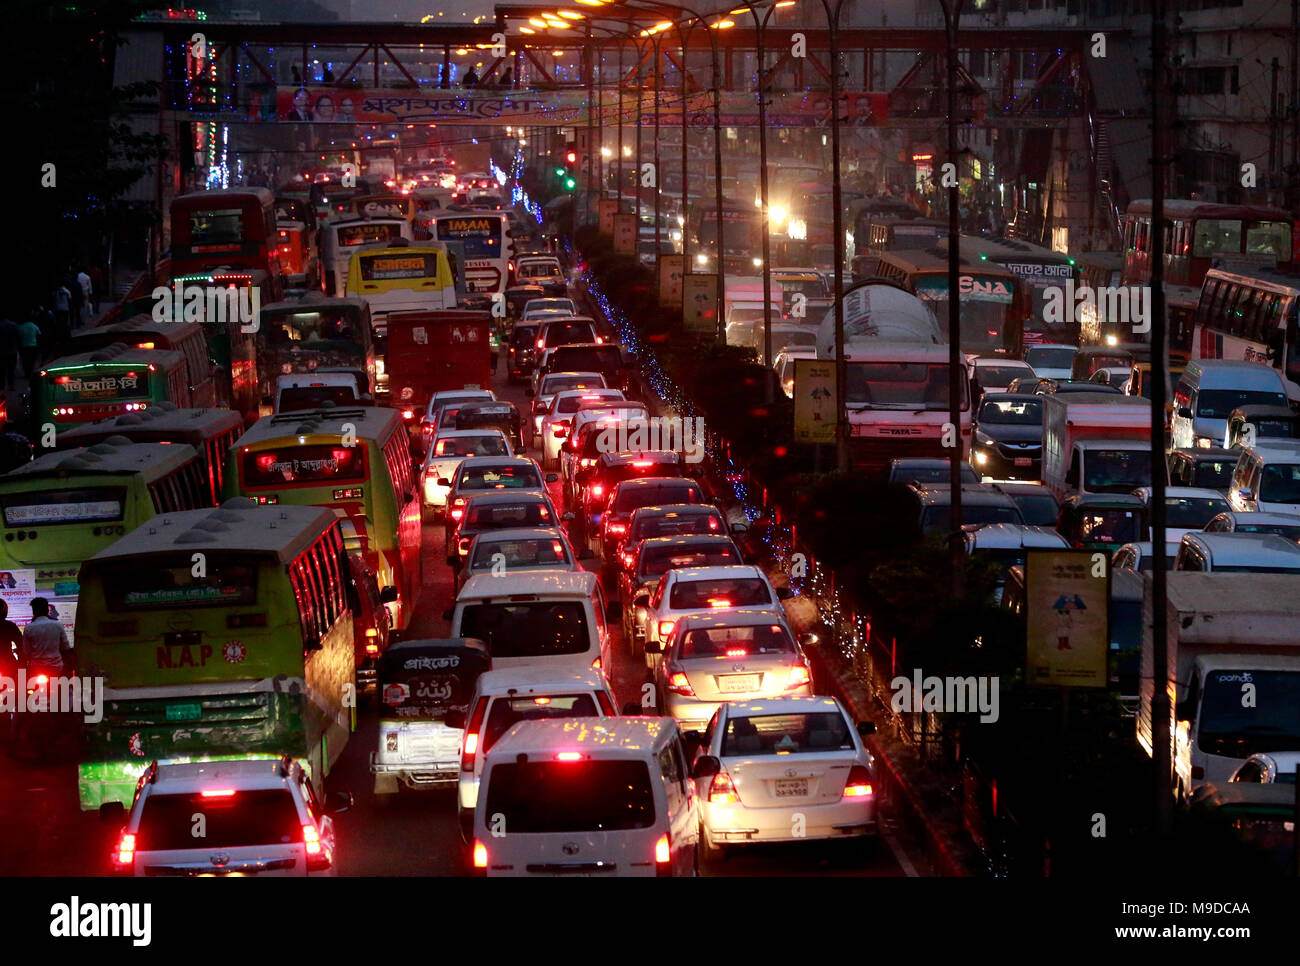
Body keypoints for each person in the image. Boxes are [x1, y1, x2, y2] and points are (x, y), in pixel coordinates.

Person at [20, 598, 71, 675]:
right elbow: (65, 647)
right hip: (56, 667)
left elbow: (26, 651)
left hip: (36, 668)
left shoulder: (29, 628)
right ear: (47, 610)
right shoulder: (57, 625)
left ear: (34, 611)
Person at [18, 313, 40, 380]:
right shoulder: (34, 326)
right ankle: (31, 373)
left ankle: (27, 373)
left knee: (25, 361)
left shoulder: (21, 327)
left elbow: (18, 336)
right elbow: (39, 333)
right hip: (33, 346)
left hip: (24, 346)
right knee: (32, 361)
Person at [0, 315, 19, 392]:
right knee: (11, 370)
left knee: (2, 370)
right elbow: (18, 337)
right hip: (12, 351)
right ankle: (11, 386)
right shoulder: (14, 325)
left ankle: (2, 387)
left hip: (1, 351)